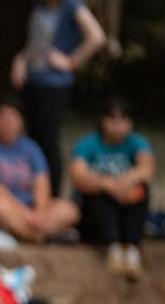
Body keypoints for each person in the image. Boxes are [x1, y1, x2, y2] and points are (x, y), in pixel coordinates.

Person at [11, 0, 105, 197]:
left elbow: (97, 37)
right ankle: (31, 192)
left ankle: (51, 195)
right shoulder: (39, 6)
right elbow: (35, 43)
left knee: (47, 141)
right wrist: (20, 60)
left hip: (53, 84)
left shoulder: (71, 5)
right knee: (30, 140)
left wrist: (71, 61)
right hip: (32, 80)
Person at [0, 95, 79, 244]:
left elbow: (42, 184)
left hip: (33, 209)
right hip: (7, 205)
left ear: (21, 122)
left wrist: (39, 213)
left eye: (13, 118)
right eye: (3, 118)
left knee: (69, 209)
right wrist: (25, 214)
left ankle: (27, 234)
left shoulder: (31, 147)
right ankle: (41, 236)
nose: (8, 123)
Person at [69, 97, 154, 279]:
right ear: (103, 120)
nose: (117, 125)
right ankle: (113, 247)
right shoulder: (88, 143)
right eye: (112, 119)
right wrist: (107, 184)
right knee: (97, 194)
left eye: (123, 119)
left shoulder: (137, 142)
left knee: (141, 190)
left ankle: (131, 248)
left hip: (125, 200)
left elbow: (146, 169)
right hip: (96, 207)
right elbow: (78, 175)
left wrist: (123, 183)